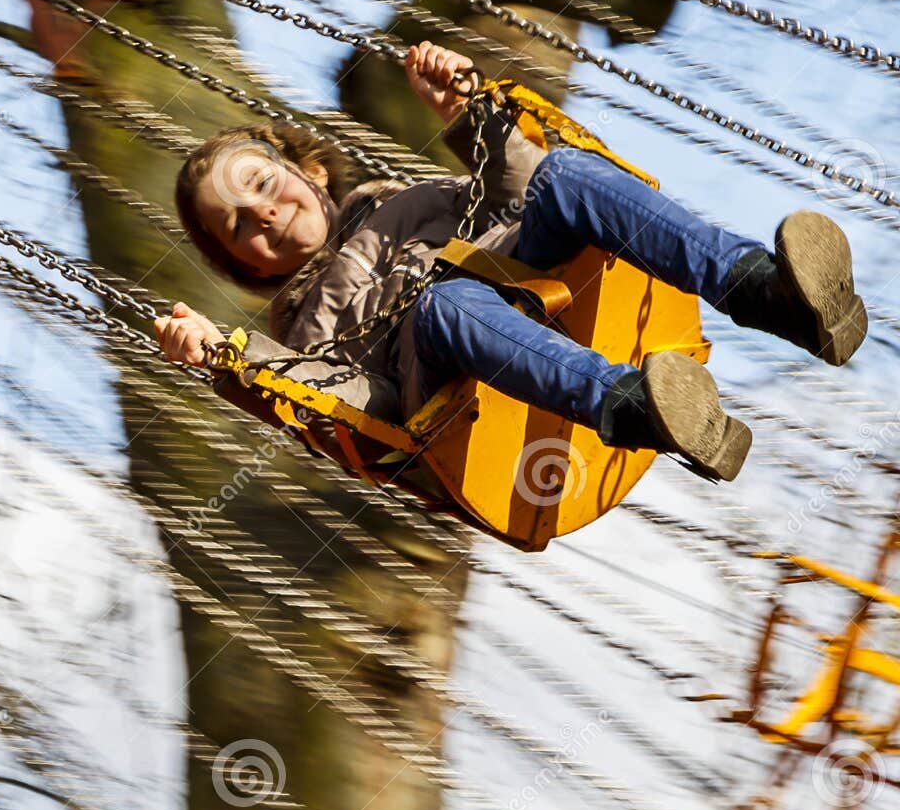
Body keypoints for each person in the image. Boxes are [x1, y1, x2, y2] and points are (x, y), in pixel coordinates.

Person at [155, 42, 869, 481]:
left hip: (520, 274)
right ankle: (633, 405)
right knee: (445, 303)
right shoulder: (297, 336)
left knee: (561, 177)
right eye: (239, 226)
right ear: (238, 264)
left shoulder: (402, 199)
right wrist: (233, 364)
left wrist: (470, 118)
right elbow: (361, 407)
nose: (266, 214)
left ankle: (766, 291)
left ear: (307, 167)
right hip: (447, 394)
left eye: (260, 184)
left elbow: (512, 199)